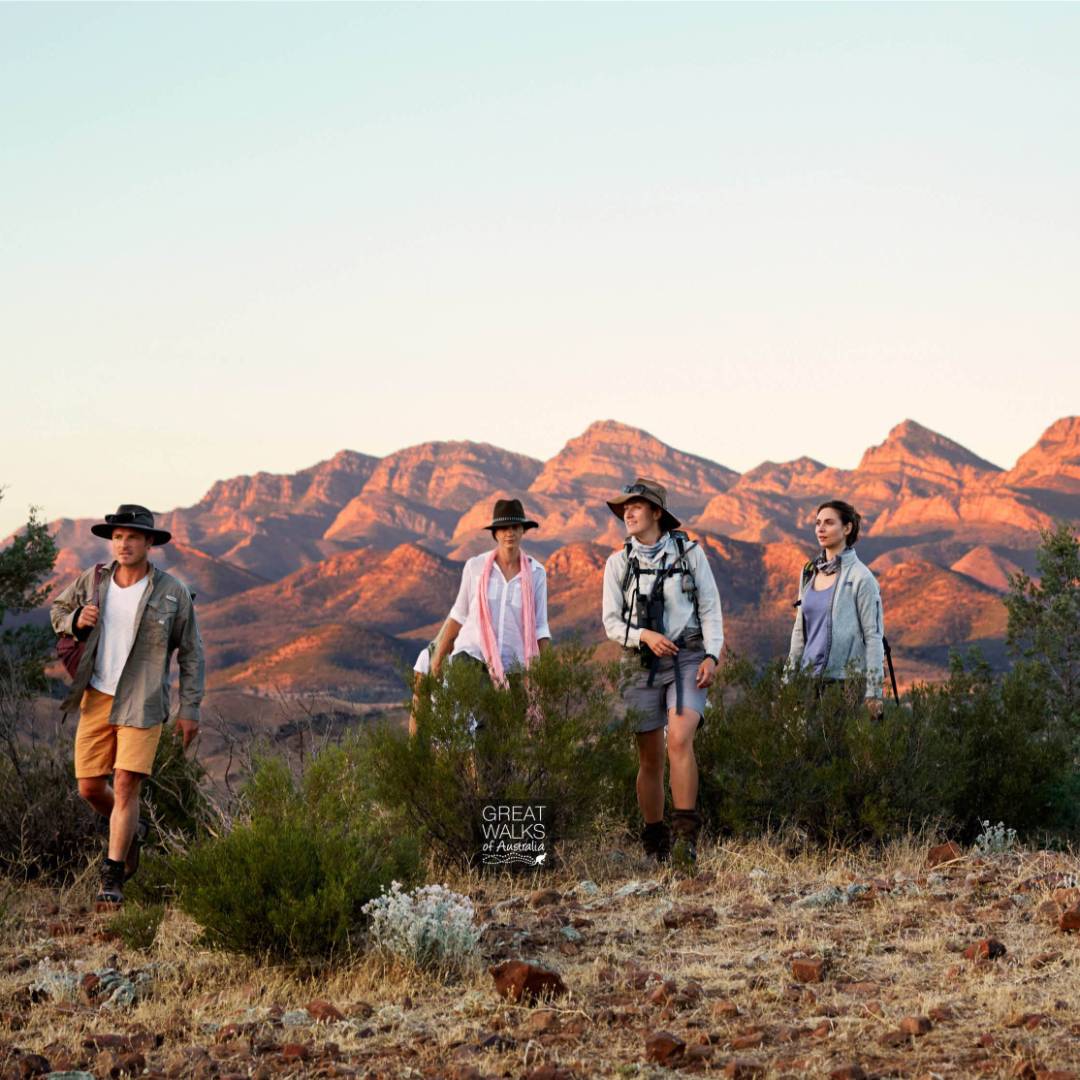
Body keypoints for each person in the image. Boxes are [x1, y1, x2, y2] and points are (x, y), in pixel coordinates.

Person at [51, 505, 204, 909]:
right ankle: (133, 830)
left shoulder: (172, 592)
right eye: (118, 537)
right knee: (89, 787)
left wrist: (190, 708)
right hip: (97, 695)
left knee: (125, 784)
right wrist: (76, 620)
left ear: (149, 542)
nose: (124, 543)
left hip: (143, 700)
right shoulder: (94, 579)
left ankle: (113, 877)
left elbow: (192, 653)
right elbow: (57, 612)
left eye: (132, 537)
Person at [602, 478, 724, 869]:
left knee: (680, 740)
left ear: (657, 512)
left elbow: (710, 607)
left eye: (636, 506)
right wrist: (644, 636)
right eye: (624, 508)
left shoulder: (690, 554)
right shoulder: (618, 563)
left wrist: (712, 655)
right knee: (650, 757)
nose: (628, 513)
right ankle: (655, 842)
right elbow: (611, 622)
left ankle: (685, 841)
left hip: (688, 656)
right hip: (639, 663)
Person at [431, 499, 550, 683]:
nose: (509, 533)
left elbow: (540, 627)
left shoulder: (536, 573)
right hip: (472, 656)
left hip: (513, 666)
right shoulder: (475, 567)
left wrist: (545, 673)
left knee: (512, 702)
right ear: (495, 533)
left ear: (523, 530)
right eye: (503, 528)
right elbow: (459, 615)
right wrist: (438, 658)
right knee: (470, 697)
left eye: (515, 527)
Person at [787, 499, 885, 716]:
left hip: (845, 682)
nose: (820, 529)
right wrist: (788, 678)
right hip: (807, 680)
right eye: (818, 523)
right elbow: (799, 630)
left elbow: (873, 636)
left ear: (847, 528)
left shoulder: (861, 577)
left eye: (829, 523)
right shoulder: (809, 572)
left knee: (835, 739)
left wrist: (874, 692)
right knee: (801, 738)